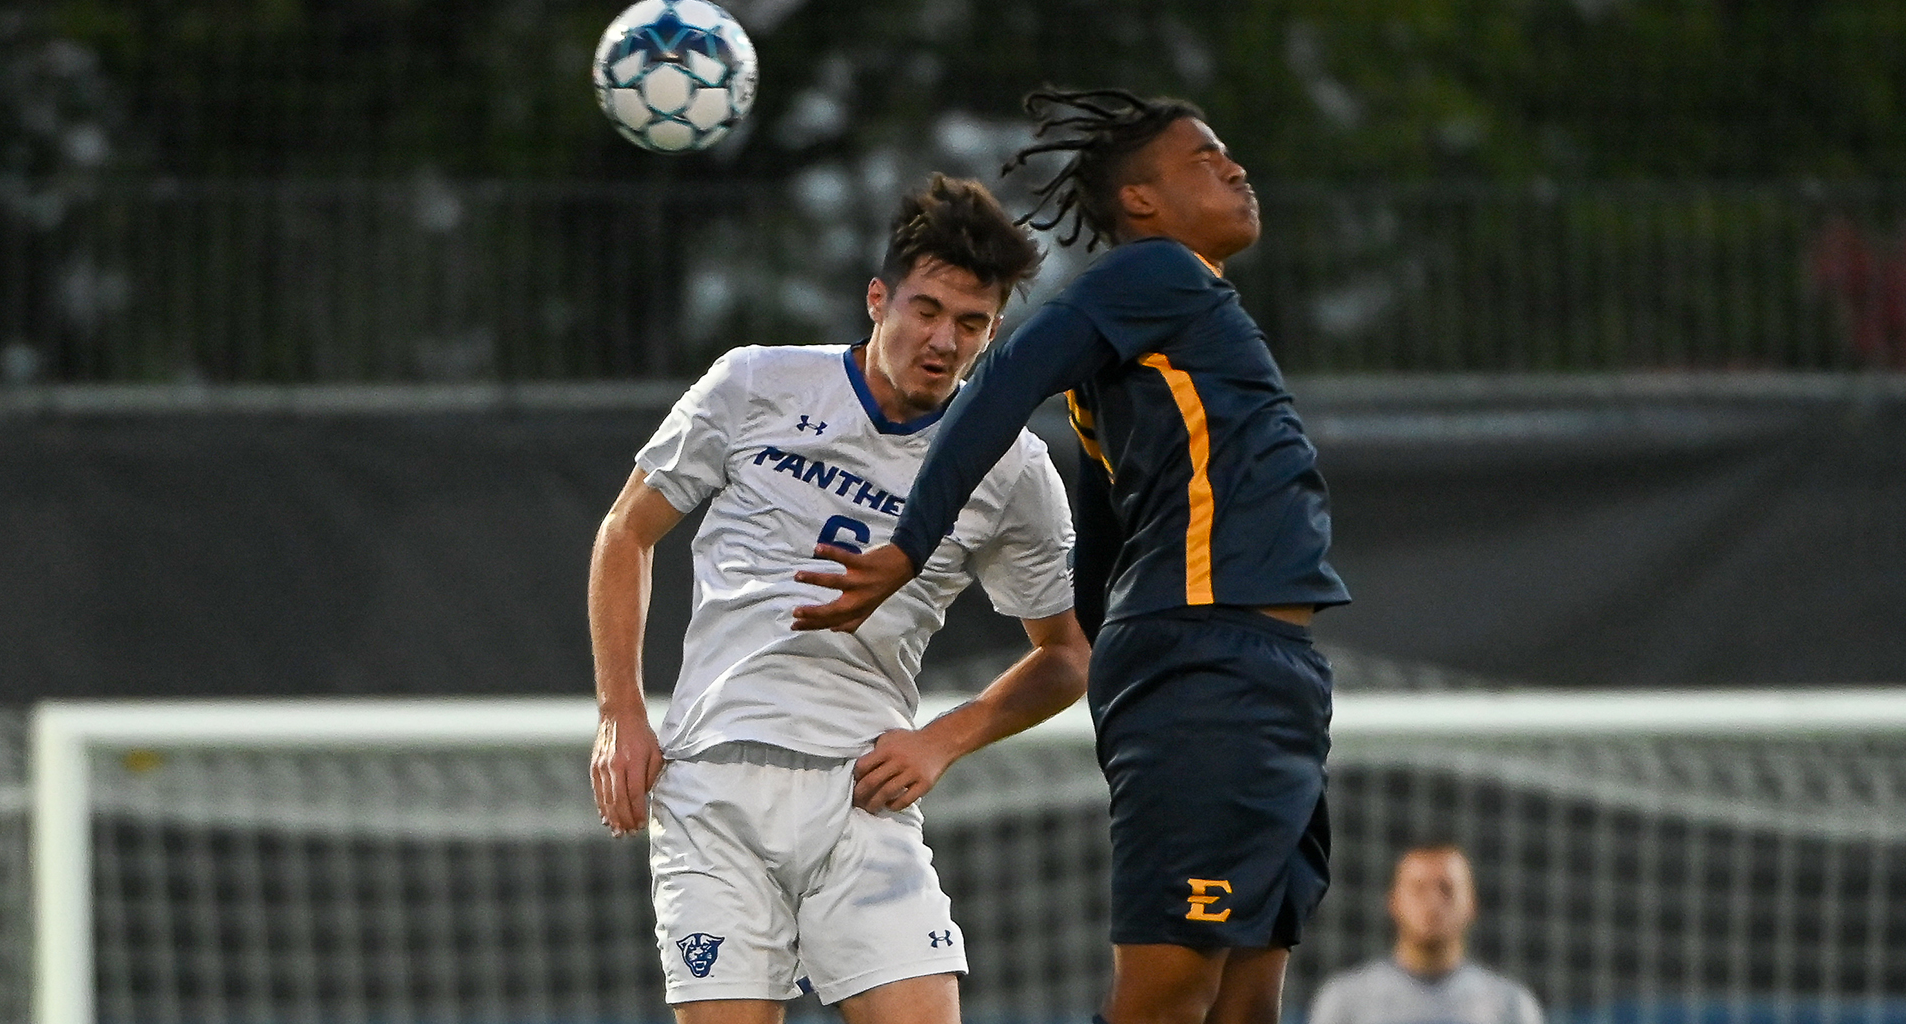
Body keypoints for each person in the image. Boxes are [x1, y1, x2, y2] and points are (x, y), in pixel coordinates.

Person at [791, 88, 1351, 1024]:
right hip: (1208, 661)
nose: (1236, 168)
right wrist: (910, 543)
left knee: (1248, 998)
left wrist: (1096, 652)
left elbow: (1108, 531)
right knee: (1169, 994)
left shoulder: (1172, 331)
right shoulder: (1155, 275)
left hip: (1265, 670)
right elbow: (1007, 372)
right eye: (1206, 159)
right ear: (1143, 204)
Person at [587, 172, 1090, 1024]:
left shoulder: (1008, 467)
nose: (943, 339)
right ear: (876, 300)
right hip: (712, 784)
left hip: (862, 795)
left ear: (994, 333)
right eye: (926, 310)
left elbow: (1067, 656)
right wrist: (619, 712)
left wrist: (942, 740)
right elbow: (625, 535)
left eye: (971, 324)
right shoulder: (755, 385)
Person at [1306, 844, 1544, 1024]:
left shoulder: (1511, 1005)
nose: (1432, 902)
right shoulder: (1345, 1001)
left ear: (1471, 904)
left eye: (1446, 889)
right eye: (1418, 888)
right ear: (1394, 902)